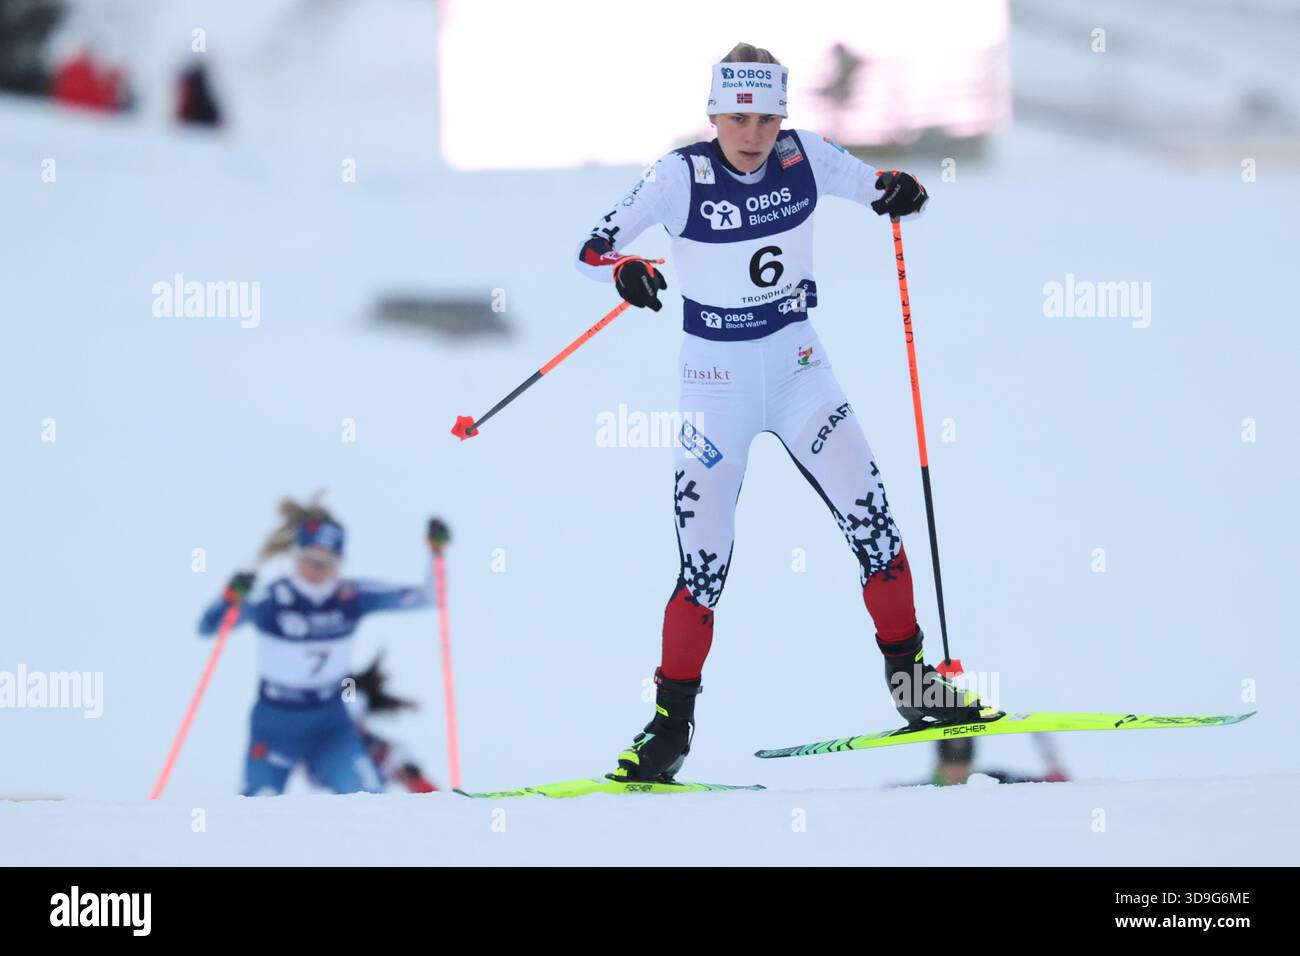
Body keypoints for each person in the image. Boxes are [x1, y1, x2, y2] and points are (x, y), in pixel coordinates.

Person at [574, 42, 984, 784]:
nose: (753, 133)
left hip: (802, 375)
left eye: (766, 116)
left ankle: (914, 685)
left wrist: (901, 191)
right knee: (703, 566)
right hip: (715, 386)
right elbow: (592, 247)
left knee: (874, 521)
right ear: (713, 113)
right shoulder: (679, 176)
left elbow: (878, 184)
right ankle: (669, 729)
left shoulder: (805, 158)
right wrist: (626, 269)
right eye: (737, 115)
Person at [197, 499, 450, 796]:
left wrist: (436, 554)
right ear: (296, 556)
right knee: (257, 807)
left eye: (326, 561)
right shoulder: (271, 599)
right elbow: (210, 627)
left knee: (369, 799)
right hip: (275, 724)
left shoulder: (352, 596)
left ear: (340, 561)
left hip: (331, 723)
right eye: (309, 558)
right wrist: (230, 597)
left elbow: (427, 598)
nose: (316, 569)